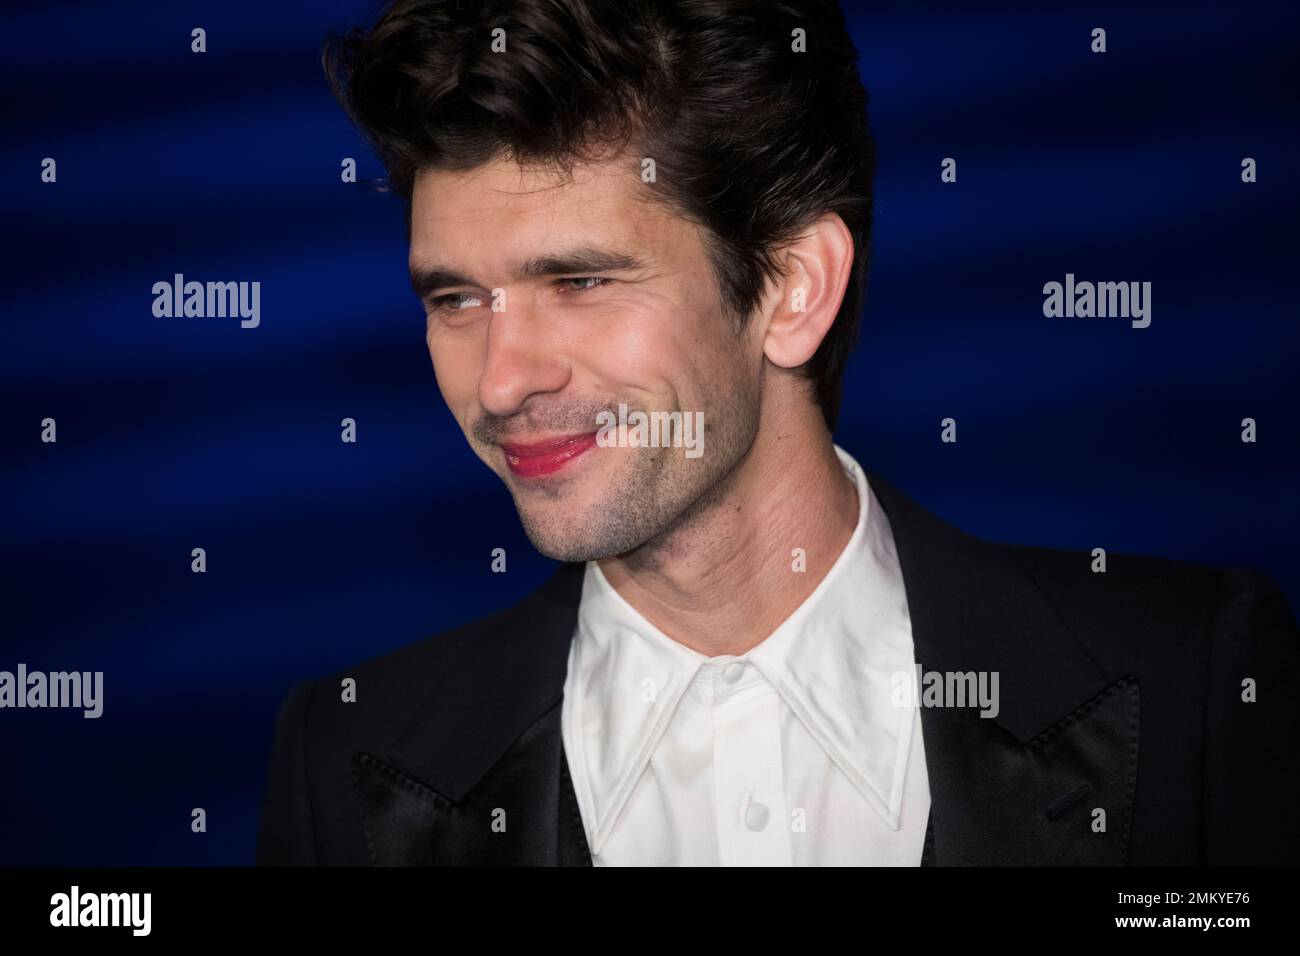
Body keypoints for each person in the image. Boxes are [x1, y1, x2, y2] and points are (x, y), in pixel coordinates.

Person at [255, 0, 1299, 865]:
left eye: (578, 281)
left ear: (792, 289)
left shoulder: (1189, 681)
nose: (502, 378)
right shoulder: (346, 760)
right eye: (454, 299)